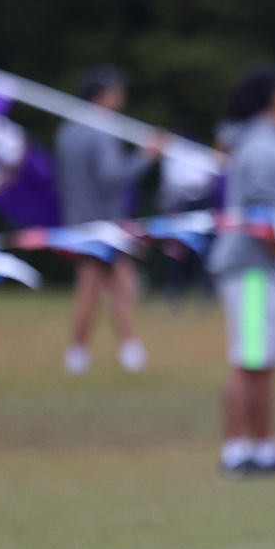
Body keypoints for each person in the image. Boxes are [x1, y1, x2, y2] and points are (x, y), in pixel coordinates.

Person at [209, 65, 275, 477]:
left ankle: (264, 448)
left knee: (262, 360)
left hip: (258, 269)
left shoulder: (263, 139)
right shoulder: (264, 145)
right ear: (273, 97)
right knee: (248, 360)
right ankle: (237, 451)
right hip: (253, 268)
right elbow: (263, 215)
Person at [54, 64, 161, 374]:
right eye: (116, 91)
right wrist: (145, 157)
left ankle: (84, 353)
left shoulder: (67, 131)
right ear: (102, 94)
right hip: (104, 225)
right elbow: (112, 177)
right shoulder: (101, 129)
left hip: (79, 223)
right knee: (117, 288)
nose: (121, 96)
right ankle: (121, 350)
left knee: (93, 290)